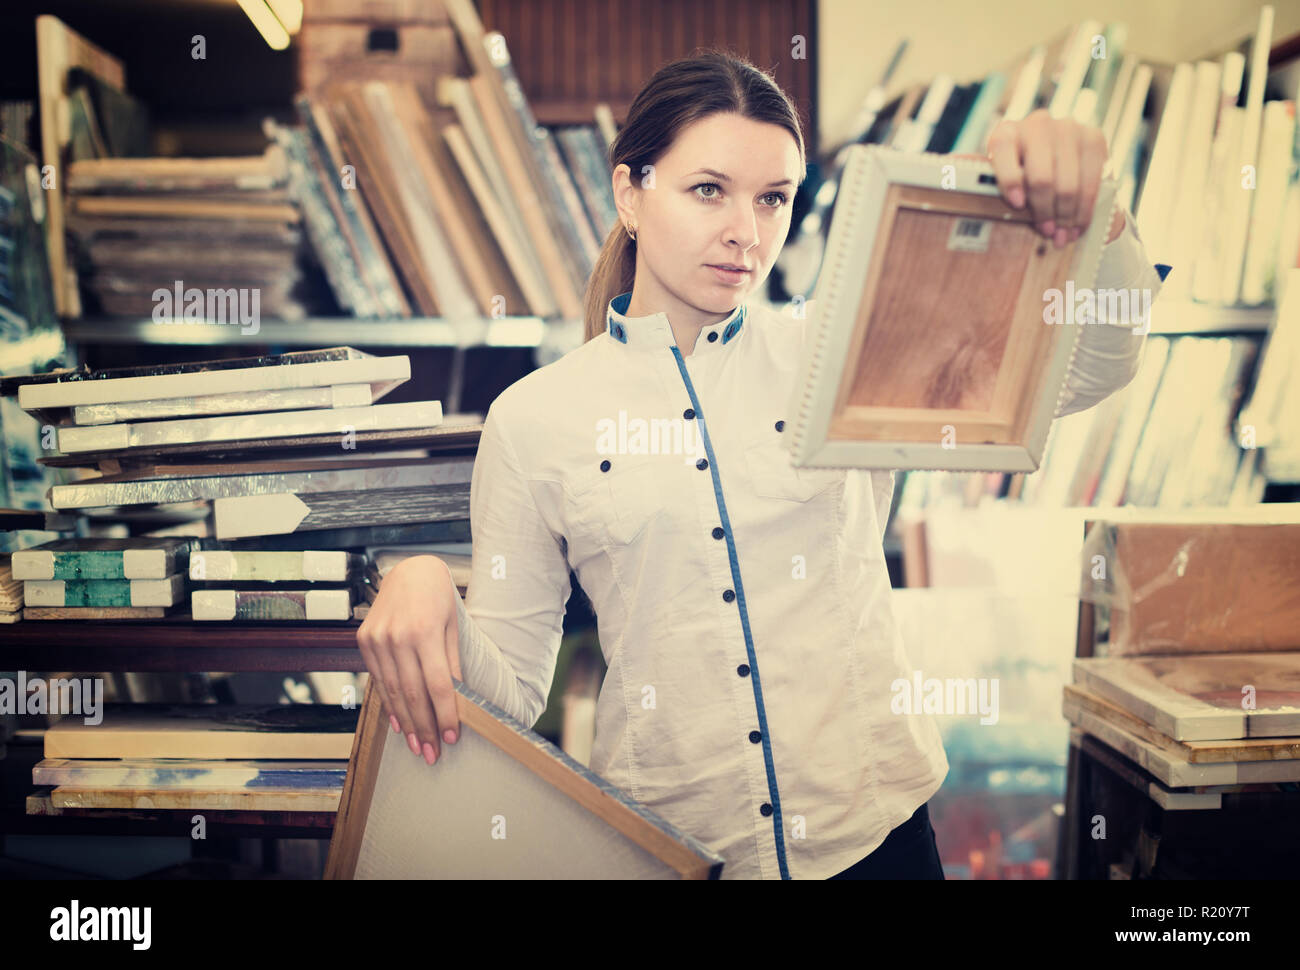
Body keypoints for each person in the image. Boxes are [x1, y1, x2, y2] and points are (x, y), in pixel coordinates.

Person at [357, 50, 1166, 880]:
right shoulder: (534, 420)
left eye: (773, 198)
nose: (747, 232)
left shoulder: (844, 348)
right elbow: (514, 694)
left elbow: (1091, 366)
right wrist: (424, 584)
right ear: (628, 192)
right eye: (709, 189)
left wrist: (1101, 225)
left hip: (881, 844)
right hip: (675, 851)